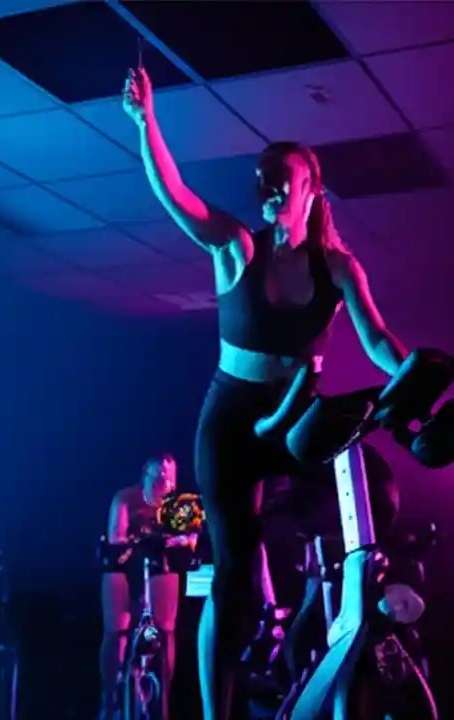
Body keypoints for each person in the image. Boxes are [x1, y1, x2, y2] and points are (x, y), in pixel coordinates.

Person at [123, 65, 408, 719]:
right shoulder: (237, 249)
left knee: (379, 492)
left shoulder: (338, 266)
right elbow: (177, 196)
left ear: (312, 190)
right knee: (235, 577)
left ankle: (326, 619)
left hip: (295, 415)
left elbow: (378, 340)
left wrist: (414, 377)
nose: (271, 187)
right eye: (262, 178)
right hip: (231, 421)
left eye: (284, 178)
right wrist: (147, 122)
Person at [99, 454, 197, 720]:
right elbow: (115, 539)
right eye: (159, 477)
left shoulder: (180, 505)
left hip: (159, 563)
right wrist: (136, 539)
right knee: (116, 629)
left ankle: (163, 692)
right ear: (146, 476)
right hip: (124, 564)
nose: (165, 484)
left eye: (170, 478)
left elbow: (191, 540)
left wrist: (180, 540)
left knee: (166, 629)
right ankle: (110, 695)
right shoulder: (125, 499)